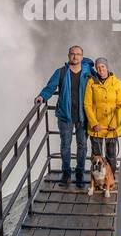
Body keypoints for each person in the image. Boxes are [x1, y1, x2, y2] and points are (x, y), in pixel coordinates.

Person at [35, 45, 94, 190]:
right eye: (72, 54)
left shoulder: (88, 72)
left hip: (83, 116)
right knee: (65, 147)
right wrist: (42, 97)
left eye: (78, 54)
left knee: (82, 146)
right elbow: (51, 87)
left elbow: (101, 84)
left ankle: (79, 174)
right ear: (68, 56)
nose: (75, 56)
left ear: (82, 56)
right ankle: (66, 174)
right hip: (65, 116)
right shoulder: (61, 72)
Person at [83, 57, 121, 174]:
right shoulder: (91, 83)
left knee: (111, 154)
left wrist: (114, 123)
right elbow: (87, 104)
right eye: (98, 67)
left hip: (112, 126)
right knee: (96, 154)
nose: (100, 69)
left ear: (107, 67)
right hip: (96, 126)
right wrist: (94, 123)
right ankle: (97, 178)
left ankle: (110, 177)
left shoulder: (117, 83)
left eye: (102, 66)